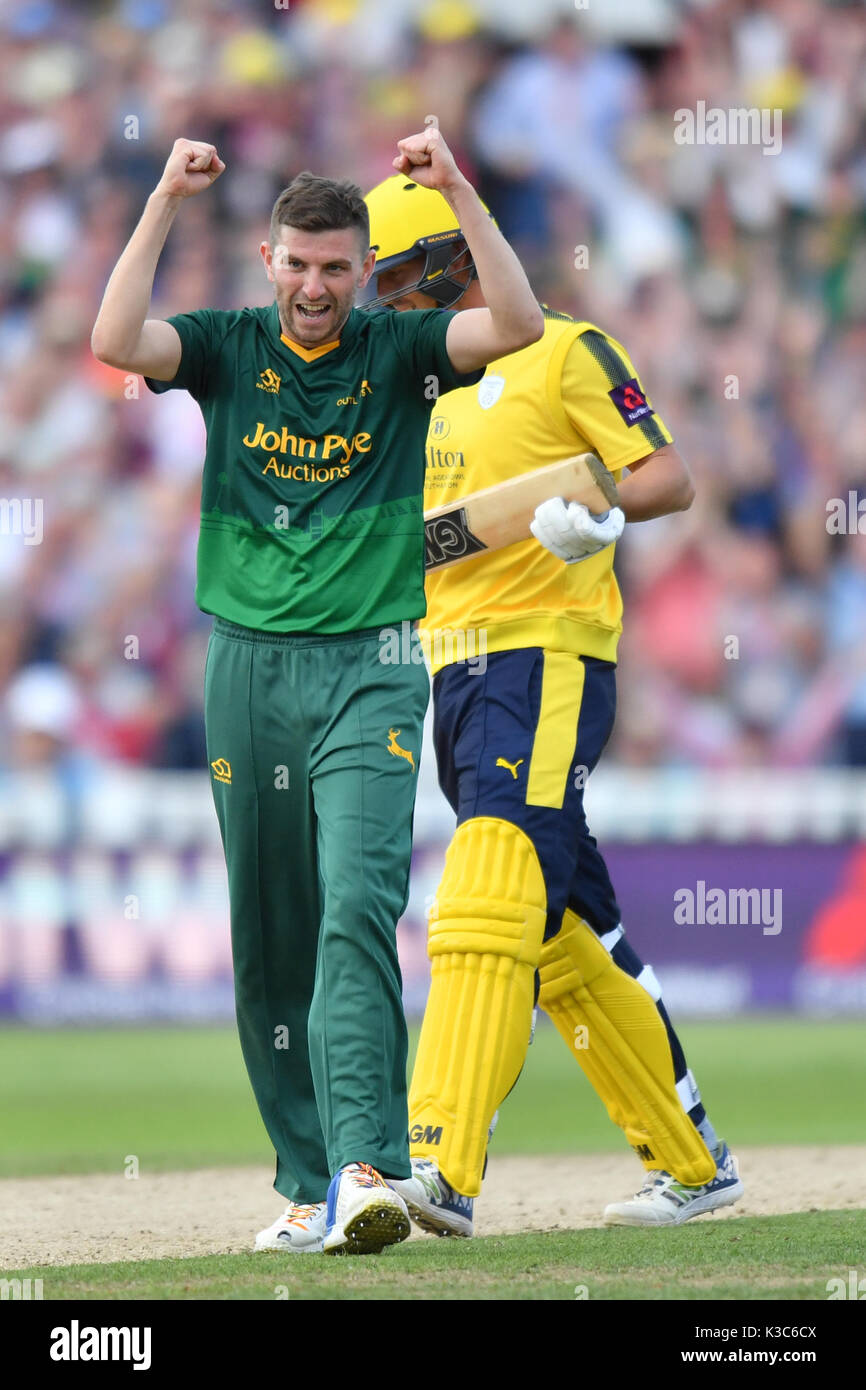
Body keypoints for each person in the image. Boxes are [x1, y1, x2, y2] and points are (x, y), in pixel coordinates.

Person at [91, 131, 543, 1255]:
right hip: (246, 665)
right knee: (270, 932)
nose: (314, 287)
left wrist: (456, 188)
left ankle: (365, 1167)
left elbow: (519, 325)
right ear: (267, 259)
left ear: (363, 269)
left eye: (337, 267)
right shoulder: (226, 347)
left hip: (373, 662)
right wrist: (158, 195)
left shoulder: (400, 350)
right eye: (297, 264)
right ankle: (304, 1181)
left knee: (357, 903)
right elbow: (109, 340)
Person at [360, 173, 744, 1232]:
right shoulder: (399, 384)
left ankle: (438, 1164)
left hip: (545, 652)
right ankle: (692, 1162)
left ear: (445, 262)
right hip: (450, 666)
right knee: (568, 926)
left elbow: (664, 474)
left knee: (485, 887)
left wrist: (598, 512)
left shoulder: (561, 347)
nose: (379, 304)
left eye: (391, 278)